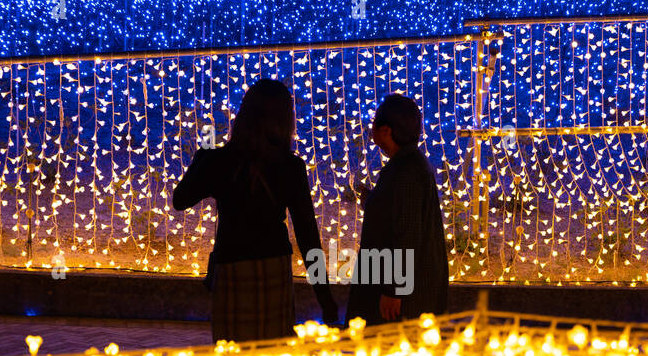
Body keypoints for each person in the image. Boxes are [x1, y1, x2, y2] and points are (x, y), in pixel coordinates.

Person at [173, 79, 337, 342]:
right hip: (274, 269)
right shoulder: (290, 166)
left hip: (232, 269)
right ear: (285, 119)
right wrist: (325, 298)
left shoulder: (222, 161)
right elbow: (308, 236)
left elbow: (180, 199)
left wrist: (204, 154)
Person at [345, 94, 449, 325]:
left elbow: (407, 232)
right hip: (401, 284)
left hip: (404, 297)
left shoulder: (407, 170)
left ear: (385, 131)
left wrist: (394, 290)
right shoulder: (407, 164)